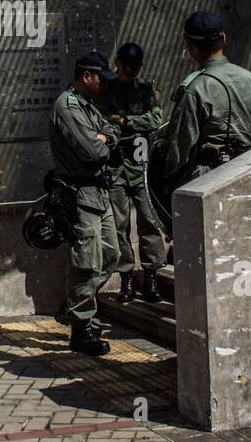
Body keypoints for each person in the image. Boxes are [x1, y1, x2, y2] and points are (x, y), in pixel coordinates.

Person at [48, 51, 122, 356]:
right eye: (100, 78)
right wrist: (104, 140)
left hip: (98, 194)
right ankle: (82, 329)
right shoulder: (67, 108)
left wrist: (107, 137)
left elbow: (115, 131)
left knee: (111, 255)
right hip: (80, 195)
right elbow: (93, 152)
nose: (103, 85)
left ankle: (75, 304)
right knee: (87, 264)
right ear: (86, 75)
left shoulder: (88, 106)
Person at [95, 42, 167, 304]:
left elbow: (155, 119)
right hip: (115, 166)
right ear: (118, 62)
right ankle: (126, 276)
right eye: (126, 64)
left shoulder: (145, 90)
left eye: (135, 65)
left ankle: (151, 275)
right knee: (119, 225)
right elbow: (103, 121)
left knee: (149, 221)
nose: (130, 69)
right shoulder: (106, 91)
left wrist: (126, 122)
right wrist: (127, 125)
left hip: (141, 165)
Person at [160, 13, 251, 194]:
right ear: (223, 38)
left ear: (190, 46)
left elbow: (180, 145)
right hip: (245, 170)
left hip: (207, 178)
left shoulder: (195, 88)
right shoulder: (250, 79)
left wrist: (168, 180)